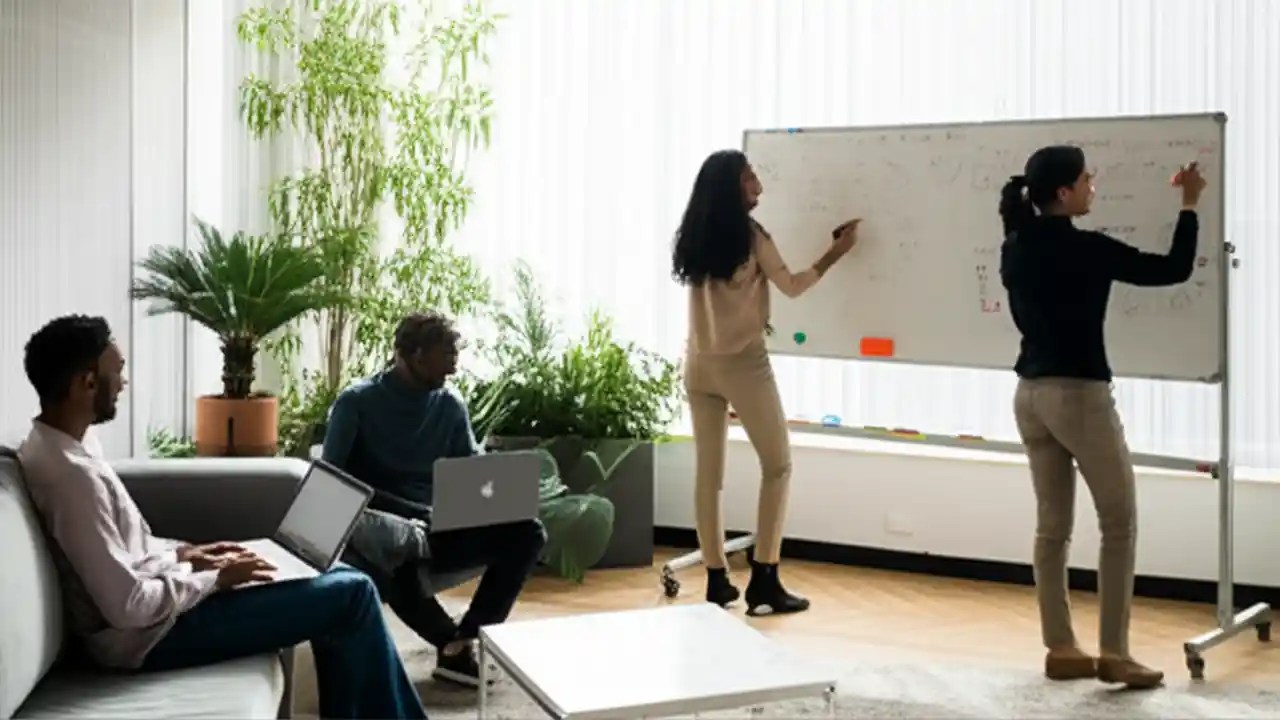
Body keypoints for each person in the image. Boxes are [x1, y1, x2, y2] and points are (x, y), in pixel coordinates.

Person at [16, 315, 426, 719]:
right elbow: (127, 607)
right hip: (150, 638)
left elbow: (127, 551)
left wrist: (191, 555)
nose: (123, 383)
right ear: (86, 382)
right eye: (117, 371)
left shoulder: (66, 443)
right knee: (353, 593)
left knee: (337, 574)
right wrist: (214, 579)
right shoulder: (70, 477)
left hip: (161, 611)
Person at [999, 146, 1206, 689]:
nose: (1094, 185)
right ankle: (1115, 653)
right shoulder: (1086, 248)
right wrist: (1189, 203)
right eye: (1087, 179)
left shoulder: (1014, 245)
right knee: (1119, 524)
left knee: (1052, 529)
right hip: (1080, 398)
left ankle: (1062, 647)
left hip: (1029, 395)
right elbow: (1173, 270)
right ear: (1064, 193)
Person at [670, 149, 859, 616]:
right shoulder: (751, 236)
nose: (760, 187)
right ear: (735, 185)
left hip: (697, 362)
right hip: (743, 365)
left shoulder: (692, 235)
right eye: (752, 178)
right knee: (778, 466)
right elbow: (793, 285)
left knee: (708, 476)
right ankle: (765, 578)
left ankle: (717, 579)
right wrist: (835, 253)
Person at [322, 311, 546, 687]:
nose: (453, 370)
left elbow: (469, 474)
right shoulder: (355, 403)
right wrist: (411, 511)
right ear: (411, 355)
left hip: (439, 524)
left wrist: (502, 492)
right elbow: (333, 481)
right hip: (383, 529)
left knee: (529, 533)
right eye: (446, 357)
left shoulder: (449, 404)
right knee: (398, 558)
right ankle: (449, 645)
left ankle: (467, 636)